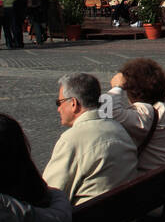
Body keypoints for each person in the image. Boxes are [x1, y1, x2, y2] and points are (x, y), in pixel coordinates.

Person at [43, 74, 138, 204]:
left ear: (74, 104)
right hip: (125, 216)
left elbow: (49, 194)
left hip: (89, 220)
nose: (59, 109)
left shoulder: (72, 140)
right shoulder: (119, 129)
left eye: (59, 102)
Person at [103, 60, 165, 172]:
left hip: (153, 181)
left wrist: (116, 87)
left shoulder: (147, 112)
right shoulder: (160, 109)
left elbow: (106, 112)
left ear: (131, 90)